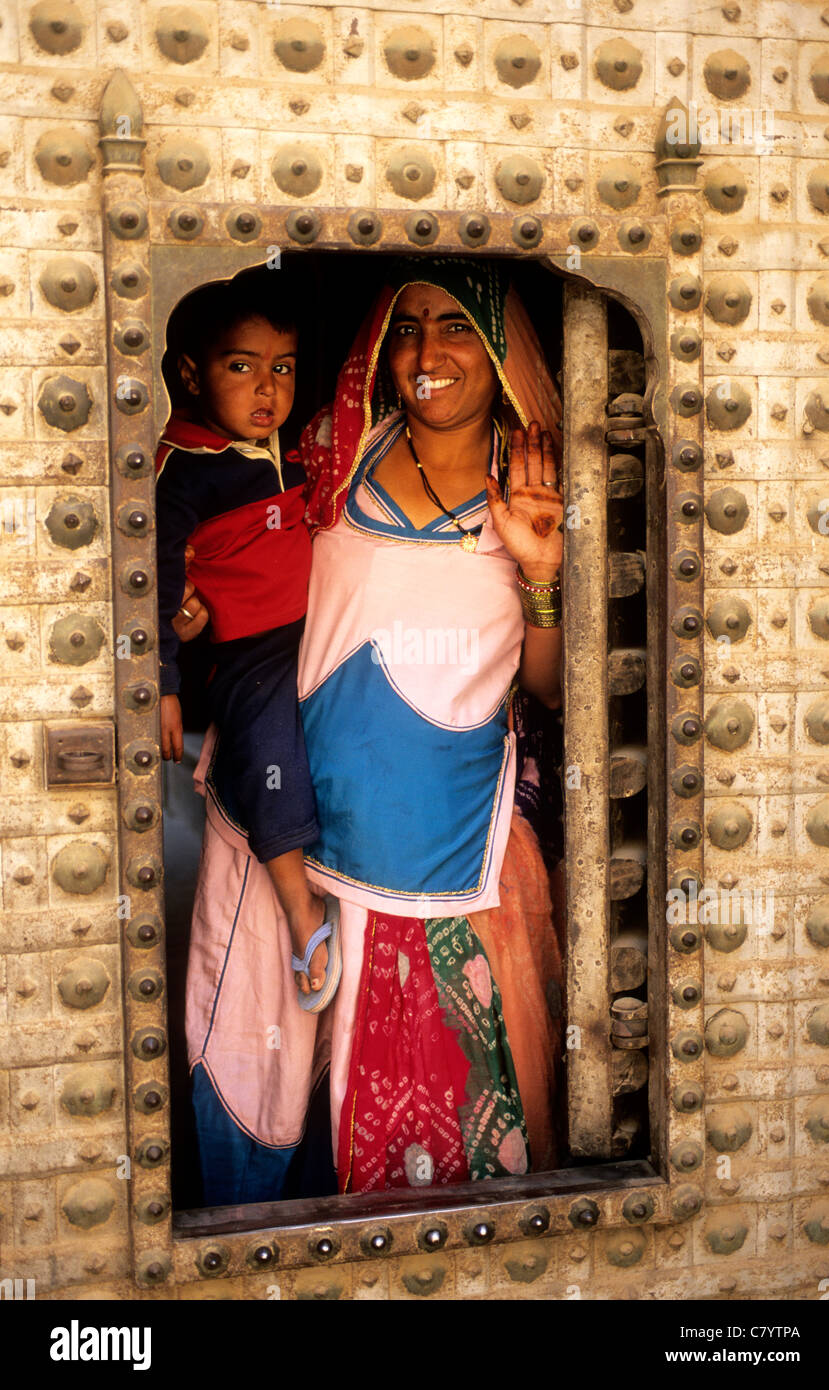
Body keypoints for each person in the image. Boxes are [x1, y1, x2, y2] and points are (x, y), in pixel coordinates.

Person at [178, 256, 565, 1200]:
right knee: (266, 1088)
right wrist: (186, 611)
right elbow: (247, 564)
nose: (426, 354)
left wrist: (543, 572)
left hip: (441, 843)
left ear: (504, 348)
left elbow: (550, 689)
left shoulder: (538, 478)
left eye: (455, 328)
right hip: (288, 830)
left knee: (433, 1157)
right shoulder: (333, 448)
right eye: (406, 328)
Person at [155, 276, 345, 1204]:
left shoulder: (291, 449)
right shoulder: (184, 467)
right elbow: (147, 569)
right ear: (190, 373)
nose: (268, 387)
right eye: (242, 368)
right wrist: (159, 676)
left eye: (283, 369)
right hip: (253, 652)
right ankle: (301, 913)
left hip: (318, 635)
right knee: (263, 749)